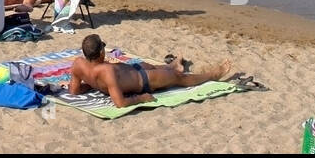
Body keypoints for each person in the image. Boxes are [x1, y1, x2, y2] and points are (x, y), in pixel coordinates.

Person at [68, 34, 231, 108]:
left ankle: (173, 64)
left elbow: (74, 91)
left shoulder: (78, 64)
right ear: (101, 52)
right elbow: (120, 103)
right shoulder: (106, 72)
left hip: (135, 69)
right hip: (144, 81)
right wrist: (141, 98)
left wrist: (91, 85)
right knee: (179, 77)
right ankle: (213, 75)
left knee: (156, 67)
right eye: (103, 46)